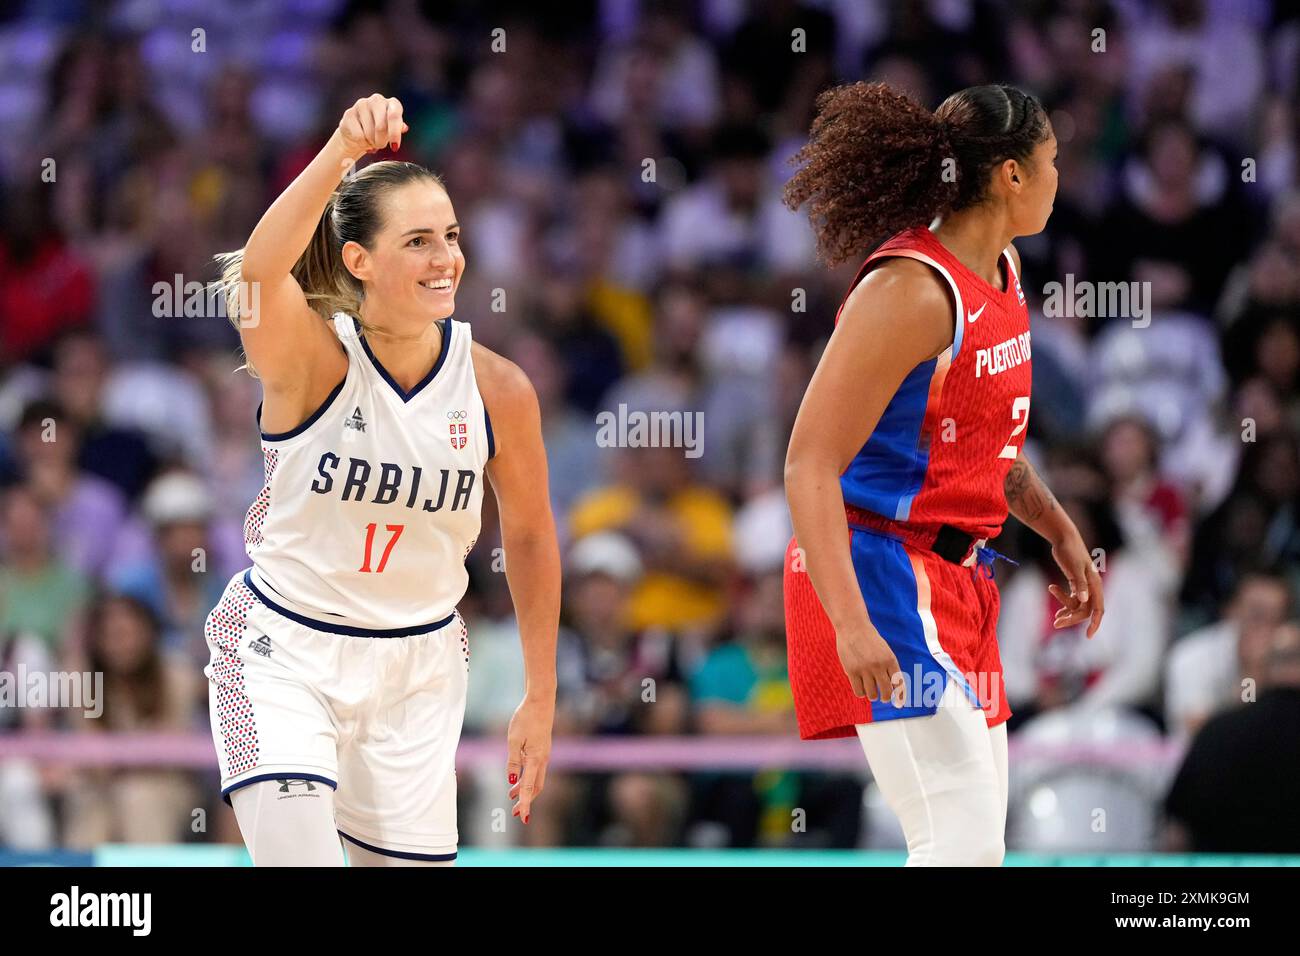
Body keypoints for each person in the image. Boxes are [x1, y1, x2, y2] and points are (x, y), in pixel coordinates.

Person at [208, 94, 560, 866]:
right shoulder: (312, 359)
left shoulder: (498, 388)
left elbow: (531, 534)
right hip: (286, 647)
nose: (447, 259)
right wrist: (339, 147)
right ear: (359, 260)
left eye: (452, 237)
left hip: (420, 667)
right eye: (419, 241)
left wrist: (541, 693)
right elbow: (263, 271)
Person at [782, 82, 1105, 866]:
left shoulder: (1003, 270)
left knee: (975, 844)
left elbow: (983, 447)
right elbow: (807, 464)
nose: (1063, 176)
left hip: (960, 582)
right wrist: (851, 624)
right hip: (880, 573)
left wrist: (1058, 529)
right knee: (956, 845)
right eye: (1053, 160)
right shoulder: (909, 289)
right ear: (1012, 176)